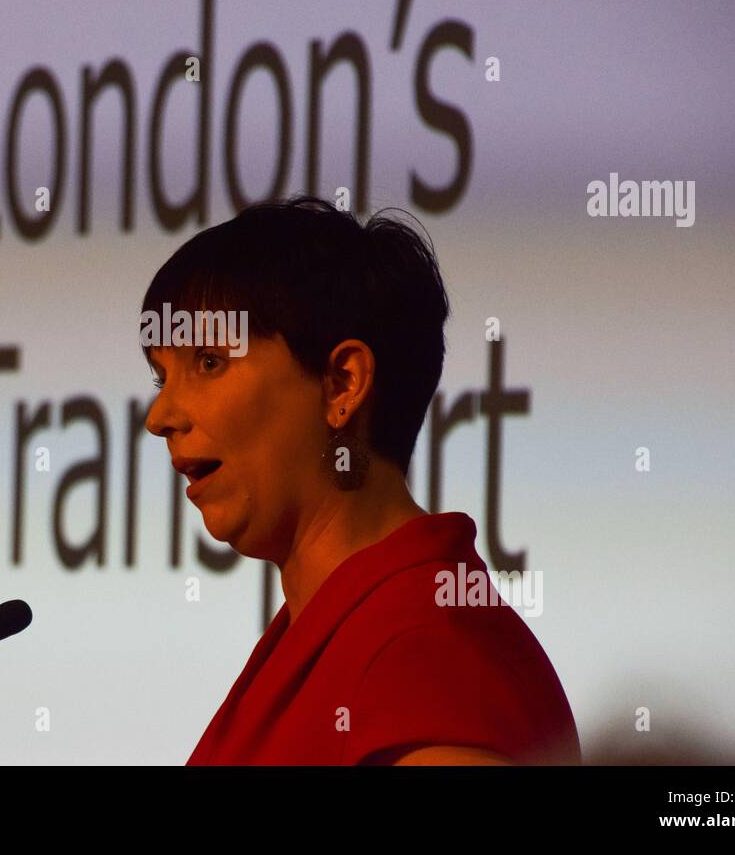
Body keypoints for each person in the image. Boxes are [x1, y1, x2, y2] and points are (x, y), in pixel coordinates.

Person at [140, 194, 580, 765]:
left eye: (208, 363)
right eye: (160, 378)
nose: (160, 417)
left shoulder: (427, 655)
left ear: (342, 383)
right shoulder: (333, 635)